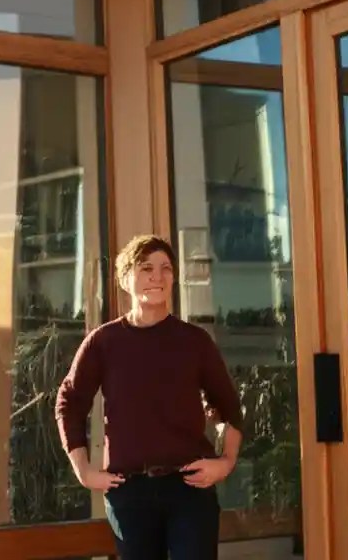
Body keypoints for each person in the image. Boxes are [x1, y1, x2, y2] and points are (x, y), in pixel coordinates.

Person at [55, 234, 244, 560]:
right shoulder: (104, 342)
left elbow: (229, 405)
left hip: (190, 489)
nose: (157, 276)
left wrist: (225, 463)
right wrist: (84, 471)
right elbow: (69, 402)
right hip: (129, 493)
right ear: (125, 279)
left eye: (165, 268)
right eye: (146, 268)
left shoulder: (194, 342)